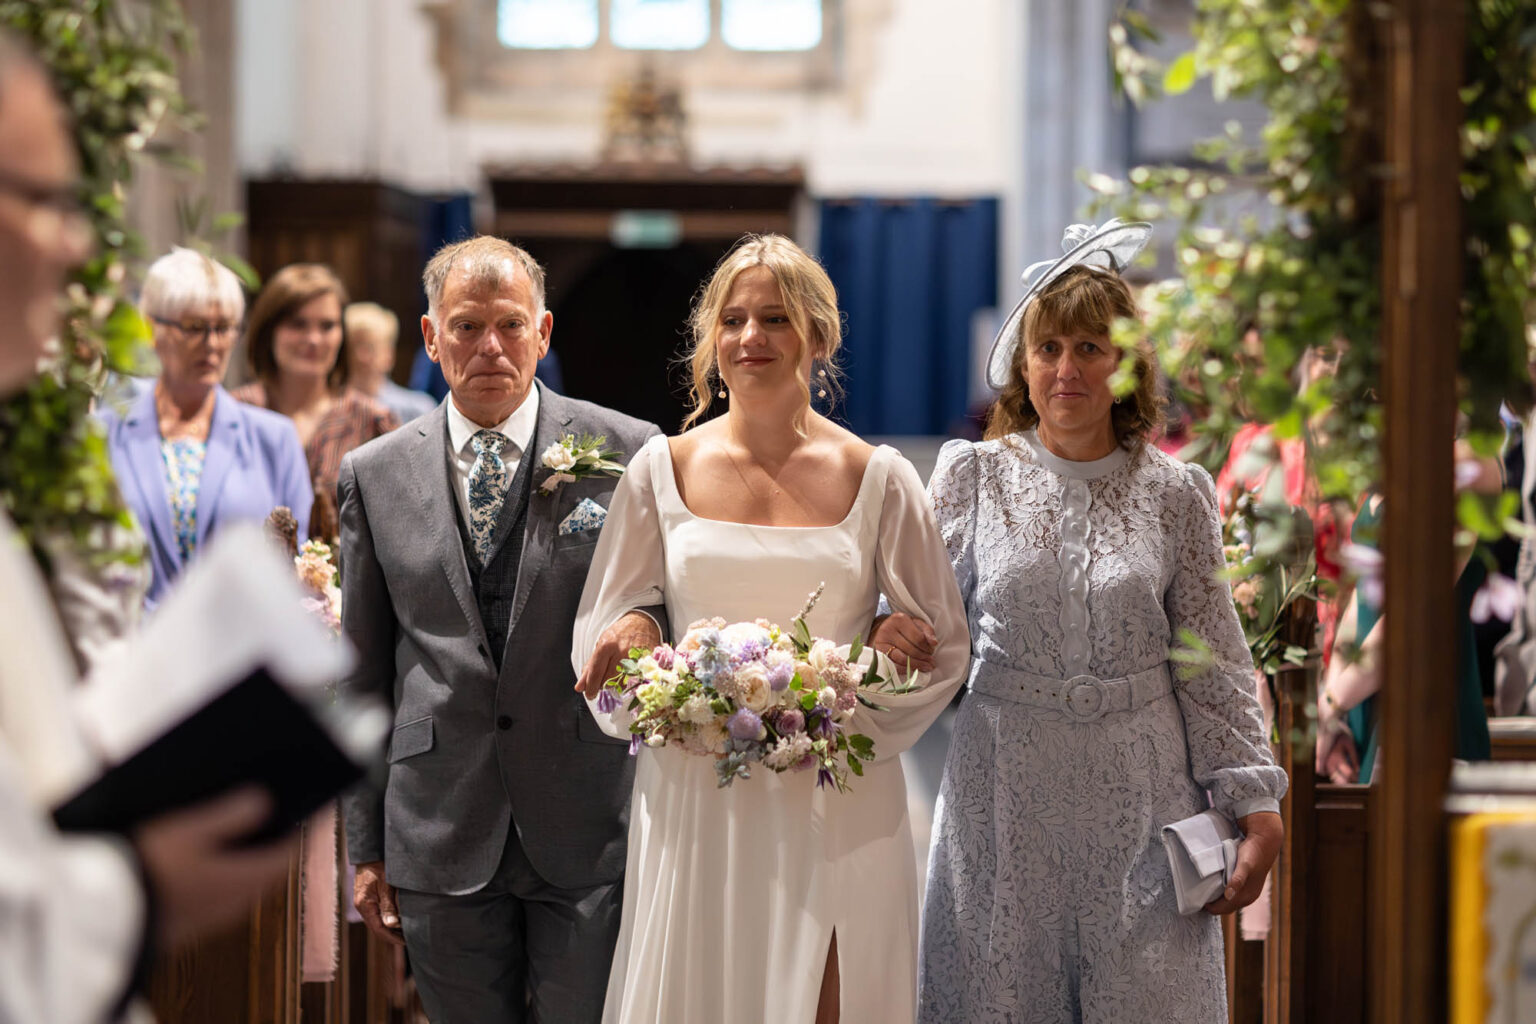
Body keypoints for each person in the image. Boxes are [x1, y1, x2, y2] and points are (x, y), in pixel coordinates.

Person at [876, 221, 1286, 1022]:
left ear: (1126, 365)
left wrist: (1255, 804)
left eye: (1091, 349)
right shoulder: (973, 478)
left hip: (1143, 796)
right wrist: (886, 630)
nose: (1068, 370)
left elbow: (1214, 664)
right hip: (1003, 791)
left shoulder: (1177, 494)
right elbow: (914, 611)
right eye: (1049, 348)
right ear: (1022, 368)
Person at [572, 234, 970, 1023]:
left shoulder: (879, 477)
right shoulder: (661, 468)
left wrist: (874, 665)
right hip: (695, 797)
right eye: (734, 320)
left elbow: (944, 648)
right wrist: (636, 634)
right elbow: (605, 628)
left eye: (776, 319)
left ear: (819, 337)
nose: (751, 338)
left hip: (833, 796)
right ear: (711, 342)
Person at [0, 32, 294, 1022]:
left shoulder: (261, 434)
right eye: (41, 201)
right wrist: (146, 884)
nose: (78, 246)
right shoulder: (90, 434)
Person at [338, 235, 661, 1023]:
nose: (491, 347)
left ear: (544, 334)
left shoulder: (627, 451)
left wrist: (645, 621)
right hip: (438, 817)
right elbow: (359, 670)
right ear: (430, 337)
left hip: (585, 813)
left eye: (511, 326)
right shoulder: (373, 474)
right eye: (467, 326)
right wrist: (366, 842)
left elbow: (663, 602)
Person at [102, 247, 313, 610]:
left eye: (224, 328)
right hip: (130, 650)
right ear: (152, 328)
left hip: (240, 654)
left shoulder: (273, 438)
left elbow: (298, 568)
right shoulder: (105, 434)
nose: (213, 344)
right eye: (195, 328)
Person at [232, 263, 397, 541]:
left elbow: (397, 529)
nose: (313, 339)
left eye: (327, 326)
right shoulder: (235, 413)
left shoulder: (372, 420)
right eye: (298, 324)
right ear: (269, 329)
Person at [343, 301, 437, 425]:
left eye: (369, 347)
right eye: (353, 346)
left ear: (389, 354)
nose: (361, 356)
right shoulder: (328, 408)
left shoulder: (418, 409)